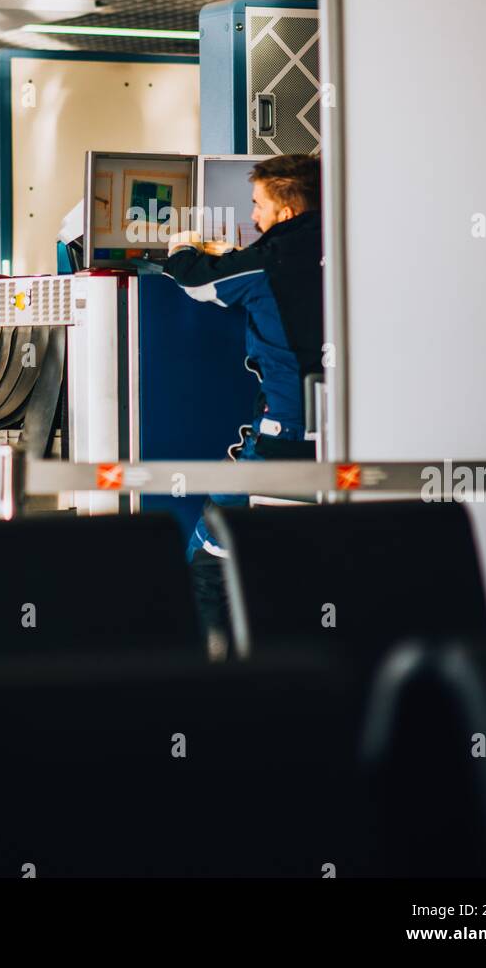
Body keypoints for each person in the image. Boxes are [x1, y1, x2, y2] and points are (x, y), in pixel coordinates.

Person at [165, 153, 323, 650]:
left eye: (258, 206)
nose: (253, 217)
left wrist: (182, 248)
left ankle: (214, 674)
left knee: (210, 552)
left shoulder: (268, 262)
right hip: (343, 437)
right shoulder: (347, 248)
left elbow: (197, 281)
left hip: (287, 436)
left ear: (286, 211)